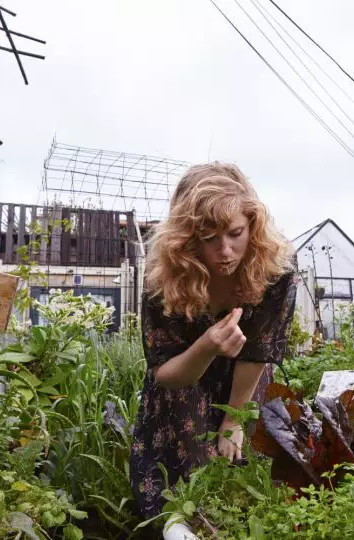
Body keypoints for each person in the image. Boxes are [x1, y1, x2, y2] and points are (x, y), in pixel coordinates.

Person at [129, 162, 298, 520]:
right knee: (178, 486)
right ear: (187, 240)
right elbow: (164, 372)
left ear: (252, 223)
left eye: (236, 233)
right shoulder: (162, 277)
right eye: (209, 238)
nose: (225, 251)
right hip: (181, 381)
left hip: (244, 378)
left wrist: (234, 418)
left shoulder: (276, 271)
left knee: (245, 478)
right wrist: (207, 344)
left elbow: (257, 352)